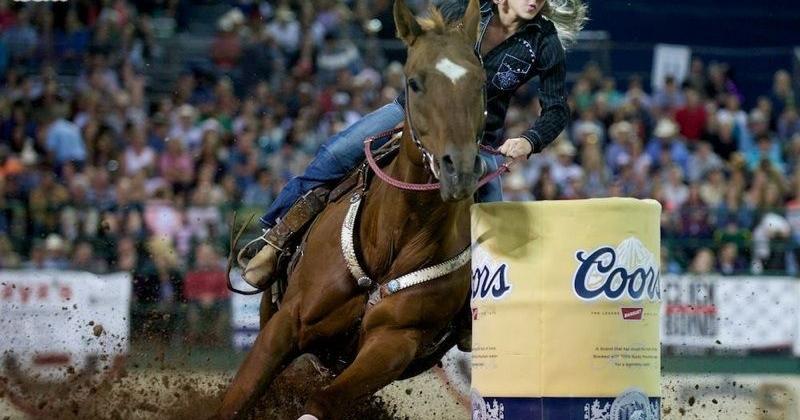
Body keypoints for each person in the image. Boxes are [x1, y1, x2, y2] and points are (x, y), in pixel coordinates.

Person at [238, 0, 587, 289]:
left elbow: (557, 109)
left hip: (477, 141)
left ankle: (476, 312)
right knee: (337, 153)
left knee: (490, 225)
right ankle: (274, 237)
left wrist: (530, 139)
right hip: (411, 116)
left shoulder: (545, 41)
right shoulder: (463, 10)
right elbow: (421, 42)